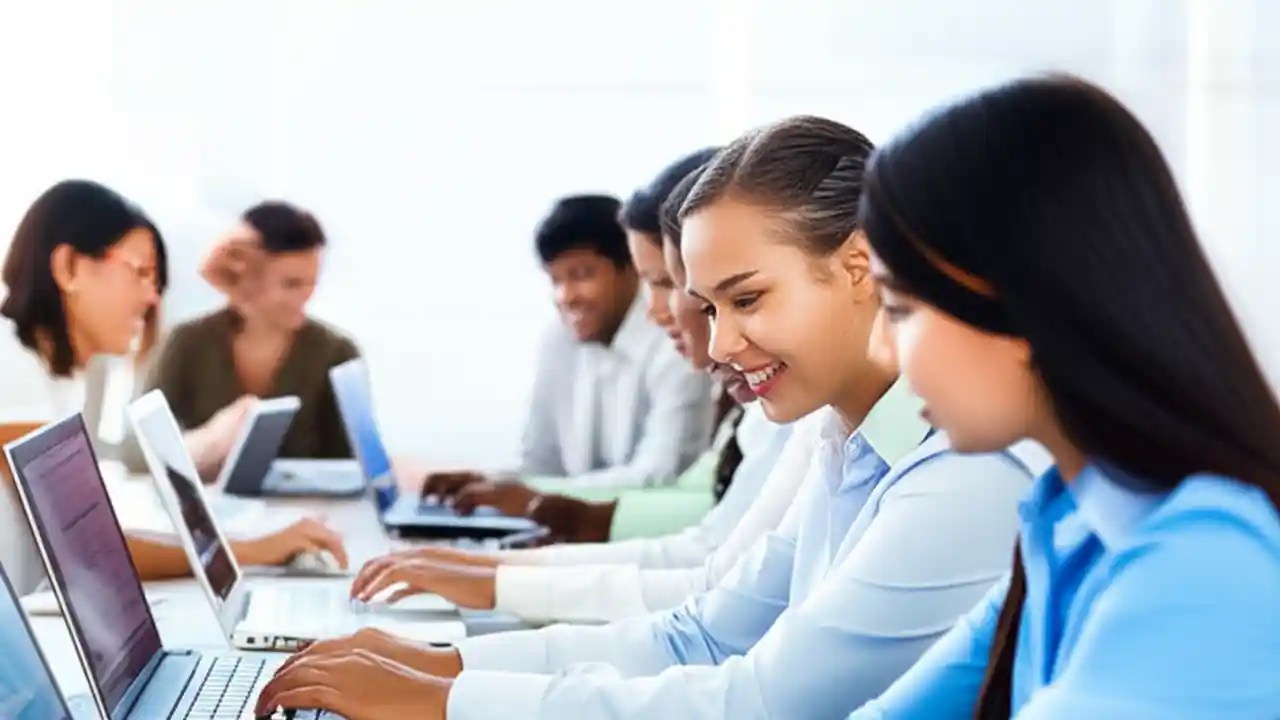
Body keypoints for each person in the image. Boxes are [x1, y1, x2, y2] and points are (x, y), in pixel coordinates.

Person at [255, 116, 1047, 720]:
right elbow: (701, 634)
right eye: (704, 306)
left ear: (855, 266)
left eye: (747, 299)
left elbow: (761, 703)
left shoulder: (959, 474)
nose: (717, 344)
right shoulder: (849, 437)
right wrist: (439, 664)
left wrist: (449, 701)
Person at [844, 77, 1280, 719]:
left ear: (1018, 303)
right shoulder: (1065, 525)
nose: (883, 352)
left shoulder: (1208, 564)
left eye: (900, 308)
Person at [341, 152, 826, 625]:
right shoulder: (783, 416)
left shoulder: (784, 406)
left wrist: (499, 573)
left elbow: (694, 542)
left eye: (669, 284)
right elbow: (701, 537)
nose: (665, 312)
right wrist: (494, 558)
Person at [0, 180, 350, 596]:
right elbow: (86, 553)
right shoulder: (12, 371)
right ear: (70, 268)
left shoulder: (67, 379)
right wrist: (255, 549)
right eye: (141, 272)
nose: (152, 297)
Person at [420, 194, 714, 513]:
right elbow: (539, 462)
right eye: (555, 279)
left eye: (582, 275)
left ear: (631, 269)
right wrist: (488, 483)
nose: (566, 297)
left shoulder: (677, 341)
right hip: (568, 529)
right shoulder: (558, 339)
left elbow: (659, 476)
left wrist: (532, 494)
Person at [146, 201, 358, 461]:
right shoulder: (187, 343)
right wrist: (210, 441)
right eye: (291, 284)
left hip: (305, 503)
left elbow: (351, 464)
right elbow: (140, 450)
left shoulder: (337, 354)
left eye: (311, 282)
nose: (305, 296)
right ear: (247, 276)